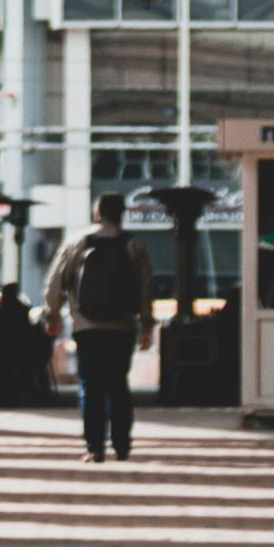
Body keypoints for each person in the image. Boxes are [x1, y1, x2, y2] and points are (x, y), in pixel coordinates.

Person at [48, 191, 156, 462]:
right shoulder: (134, 245)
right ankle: (121, 445)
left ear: (97, 213)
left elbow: (56, 281)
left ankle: (94, 446)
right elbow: (145, 288)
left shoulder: (77, 242)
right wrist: (146, 324)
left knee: (91, 385)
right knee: (118, 384)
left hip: (87, 326)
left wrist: (53, 314)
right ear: (123, 213)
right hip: (121, 326)